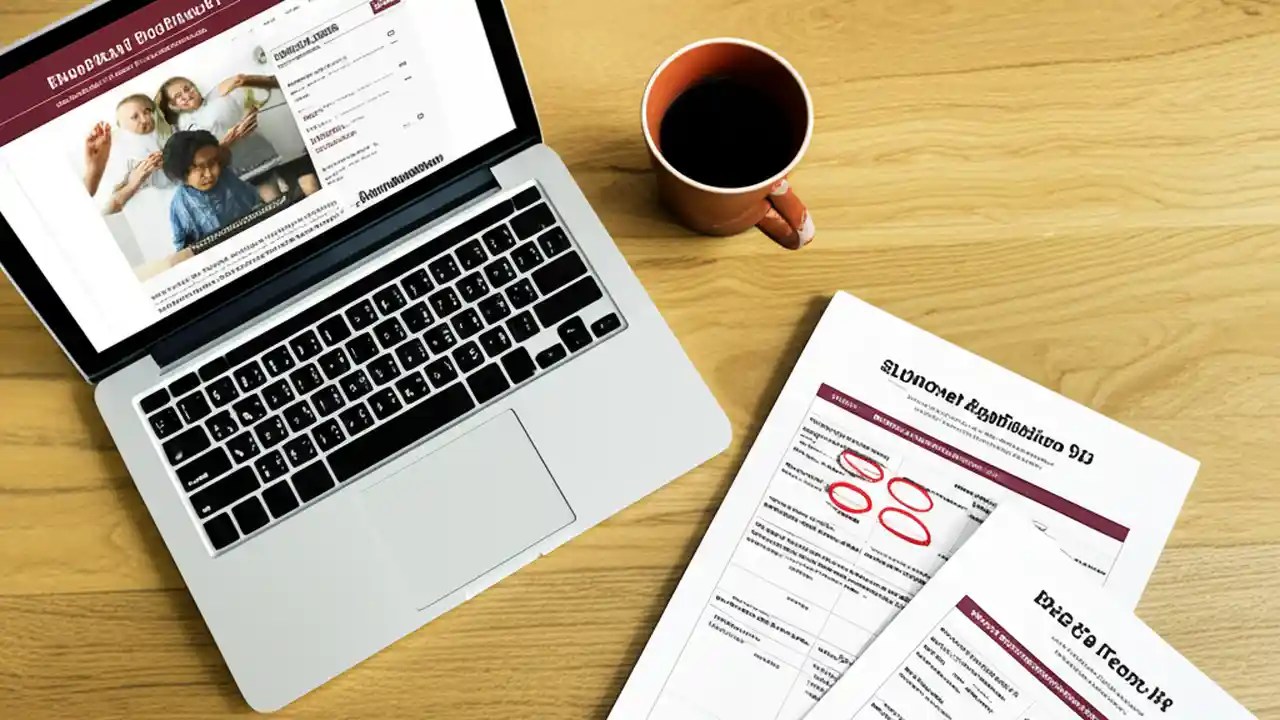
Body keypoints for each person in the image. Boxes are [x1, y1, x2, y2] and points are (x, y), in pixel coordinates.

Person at [156, 74, 320, 202]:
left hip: (266, 149)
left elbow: (240, 81)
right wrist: (228, 141)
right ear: (173, 105)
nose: (186, 95)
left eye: (188, 88)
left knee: (310, 185)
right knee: (277, 202)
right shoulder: (184, 128)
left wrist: (251, 111)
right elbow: (199, 158)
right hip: (244, 167)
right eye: (178, 96)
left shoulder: (217, 94)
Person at [163, 130, 262, 251]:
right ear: (182, 172)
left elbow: (255, 203)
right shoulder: (180, 206)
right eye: (198, 168)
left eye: (212, 163)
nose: (209, 174)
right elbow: (184, 248)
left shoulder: (227, 178)